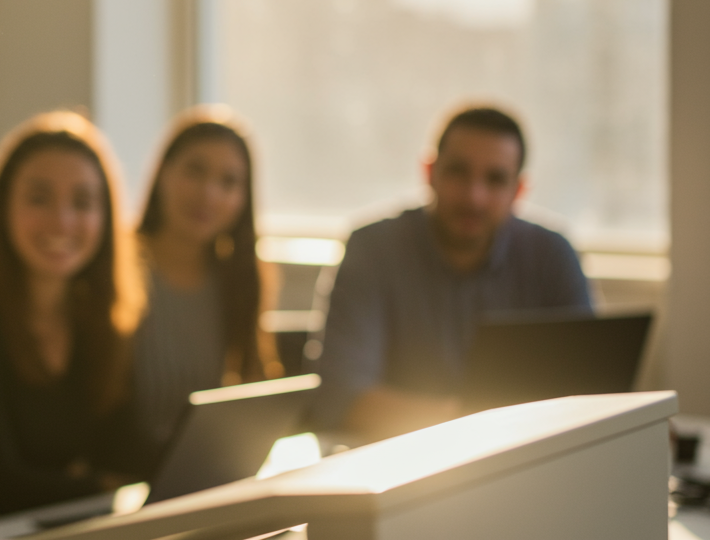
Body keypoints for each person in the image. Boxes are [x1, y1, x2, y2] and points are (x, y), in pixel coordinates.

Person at [0, 111, 149, 515]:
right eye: (39, 198)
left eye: (83, 202)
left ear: (106, 219)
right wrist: (97, 483)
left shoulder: (102, 321)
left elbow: (128, 452)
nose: (62, 220)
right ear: (3, 208)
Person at [312, 106, 593, 441]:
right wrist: (478, 425)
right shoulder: (371, 250)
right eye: (458, 172)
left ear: (518, 191)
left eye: (495, 179)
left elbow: (591, 394)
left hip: (529, 467)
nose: (474, 196)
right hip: (400, 467)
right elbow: (342, 397)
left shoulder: (553, 256)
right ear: (429, 172)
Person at [132, 107, 281, 462]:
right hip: (120, 480)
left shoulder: (240, 279)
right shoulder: (116, 266)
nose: (208, 194)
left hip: (202, 475)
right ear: (163, 172)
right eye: (195, 171)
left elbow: (252, 396)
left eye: (228, 182)